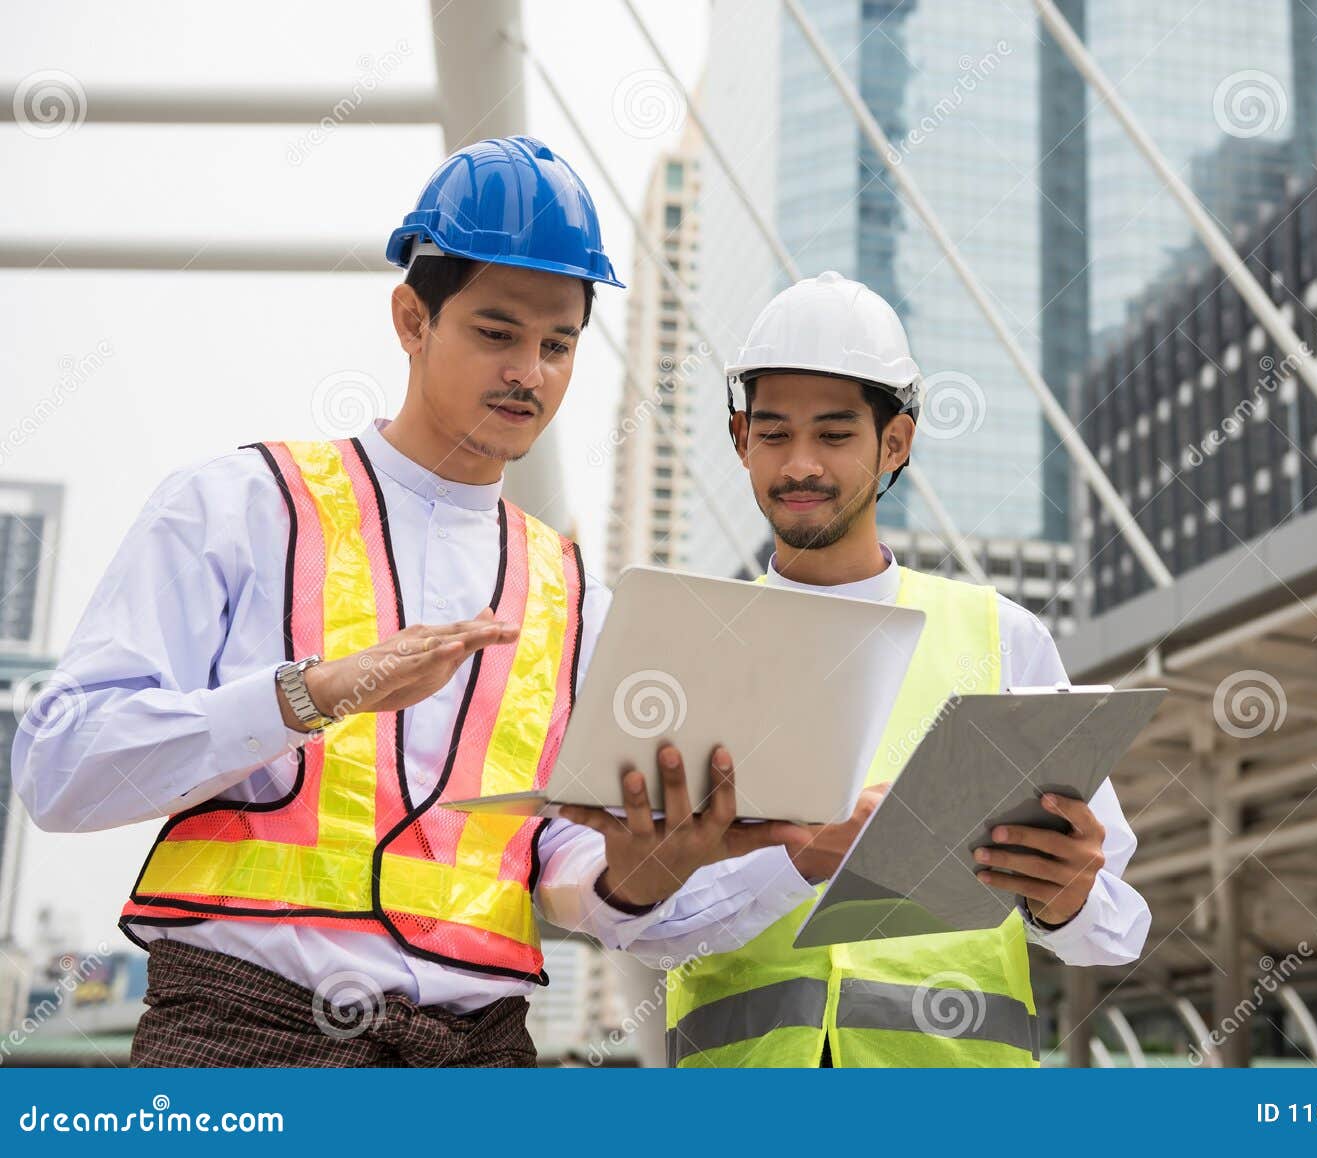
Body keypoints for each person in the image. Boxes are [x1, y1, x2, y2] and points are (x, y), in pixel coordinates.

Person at [11, 136, 819, 1068]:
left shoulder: (575, 594)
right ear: (411, 318)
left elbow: (563, 873)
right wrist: (308, 694)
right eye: (496, 332)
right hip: (246, 1036)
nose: (531, 370)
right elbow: (62, 769)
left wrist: (667, 864)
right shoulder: (237, 508)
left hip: (480, 1054)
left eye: (558, 344)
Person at [660, 272, 1152, 1067]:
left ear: (896, 442)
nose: (801, 465)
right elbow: (643, 916)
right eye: (776, 433)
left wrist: (1065, 898)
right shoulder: (688, 645)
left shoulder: (1005, 638)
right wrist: (793, 862)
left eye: (835, 433)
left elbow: (1117, 925)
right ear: (739, 438)